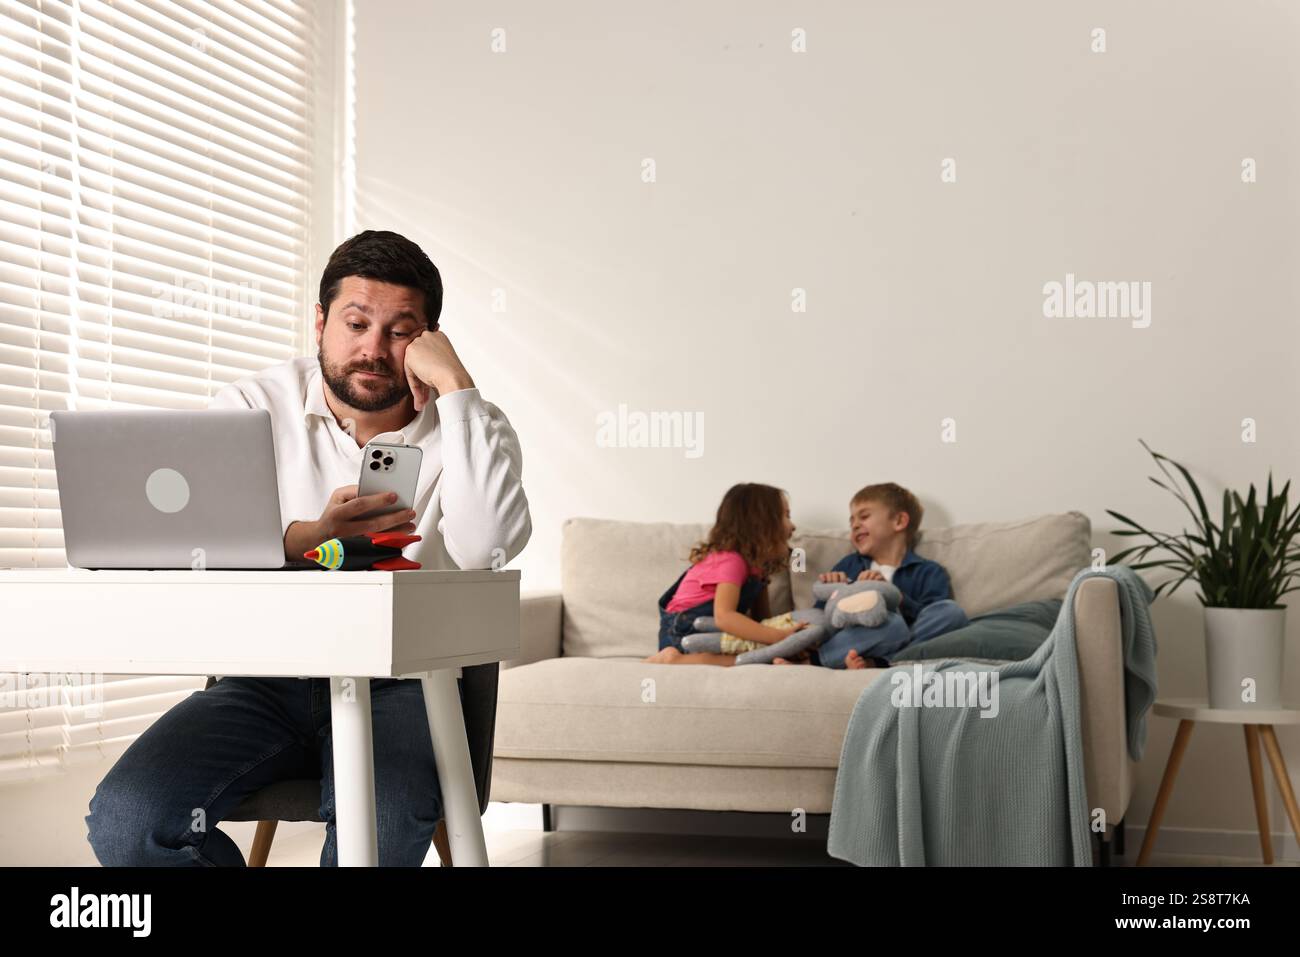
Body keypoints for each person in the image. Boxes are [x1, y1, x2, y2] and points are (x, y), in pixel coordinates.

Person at [84, 230, 531, 866]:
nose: (372, 350)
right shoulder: (251, 407)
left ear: (430, 338)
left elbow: (486, 550)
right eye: (355, 324)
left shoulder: (470, 428)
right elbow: (185, 542)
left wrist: (458, 388)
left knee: (376, 832)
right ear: (319, 322)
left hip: (401, 686)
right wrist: (306, 540)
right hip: (264, 680)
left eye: (401, 331)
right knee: (130, 822)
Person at [644, 483, 808, 666]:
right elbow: (724, 617)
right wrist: (779, 638)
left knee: (760, 657)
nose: (793, 526)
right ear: (761, 524)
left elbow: (761, 622)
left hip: (713, 633)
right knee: (741, 662)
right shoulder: (731, 561)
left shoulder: (757, 569)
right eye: (786, 515)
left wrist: (782, 643)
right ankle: (674, 659)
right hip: (683, 633)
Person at [813, 483, 966, 669]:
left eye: (864, 516)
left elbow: (933, 616)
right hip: (866, 638)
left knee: (950, 612)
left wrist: (896, 596)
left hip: (908, 636)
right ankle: (818, 659)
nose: (854, 525)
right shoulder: (849, 565)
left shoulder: (929, 571)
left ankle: (884, 662)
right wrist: (834, 589)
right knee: (891, 625)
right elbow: (822, 616)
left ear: (899, 521)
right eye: (851, 520)